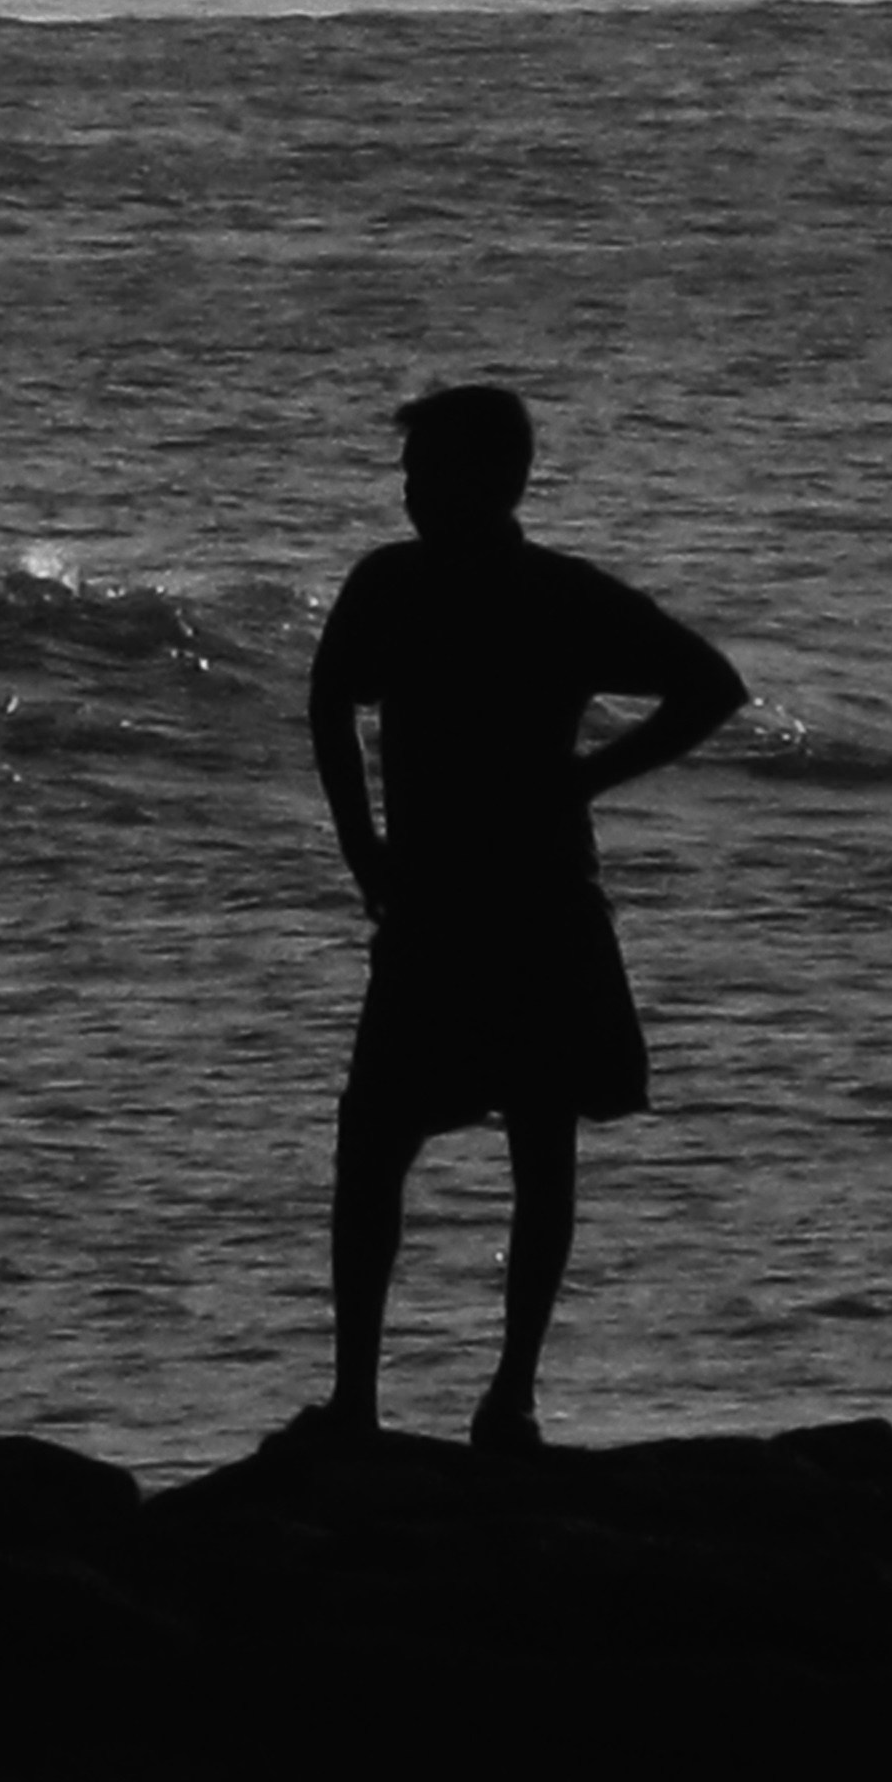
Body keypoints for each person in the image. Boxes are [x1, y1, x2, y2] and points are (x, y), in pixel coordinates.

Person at [301, 384, 749, 1454]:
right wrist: (371, 845)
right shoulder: (494, 589)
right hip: (502, 898)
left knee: (417, 1146)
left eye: (423, 474)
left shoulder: (440, 588)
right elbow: (707, 687)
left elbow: (710, 686)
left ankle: (448, 1399)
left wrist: (581, 782)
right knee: (453, 1145)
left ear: (481, 480)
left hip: (499, 903)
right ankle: (449, 1399)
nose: (407, 492)